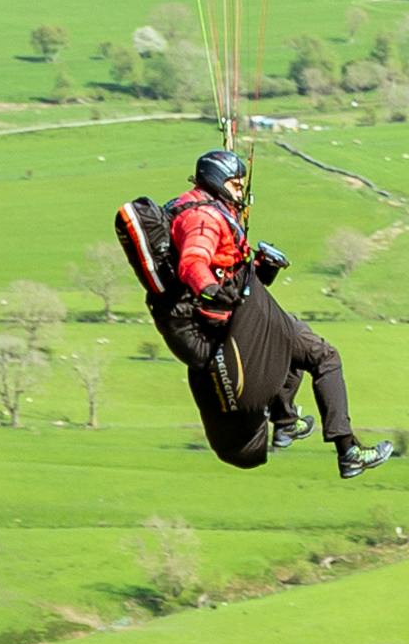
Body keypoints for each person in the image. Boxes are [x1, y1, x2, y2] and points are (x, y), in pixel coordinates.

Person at [155, 146, 395, 478]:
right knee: (324, 357)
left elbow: (222, 265)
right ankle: (347, 450)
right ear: (217, 181)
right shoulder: (203, 217)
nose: (240, 191)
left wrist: (256, 267)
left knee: (296, 351)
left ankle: (286, 424)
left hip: (240, 314)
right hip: (234, 322)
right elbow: (194, 261)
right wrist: (210, 291)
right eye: (236, 184)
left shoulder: (195, 205)